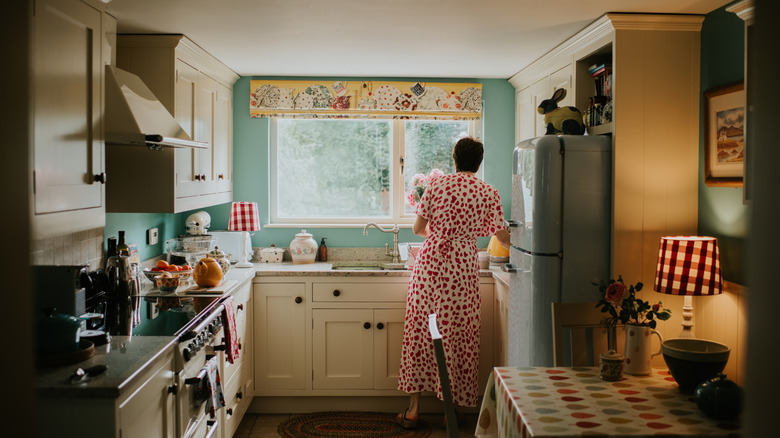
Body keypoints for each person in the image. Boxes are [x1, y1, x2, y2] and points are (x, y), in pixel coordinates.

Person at [396, 136, 510, 428]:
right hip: (462, 270)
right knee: (458, 336)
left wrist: (439, 235)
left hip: (430, 266)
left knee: (422, 332)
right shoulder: (488, 192)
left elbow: (418, 228)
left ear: (455, 158)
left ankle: (413, 409)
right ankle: (453, 412)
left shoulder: (436, 184)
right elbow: (502, 237)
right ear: (479, 161)